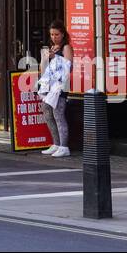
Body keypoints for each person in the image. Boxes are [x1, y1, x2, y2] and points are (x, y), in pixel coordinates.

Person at [37, 22, 73, 157]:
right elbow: (43, 69)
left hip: (61, 86)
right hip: (49, 85)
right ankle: (56, 143)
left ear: (63, 34)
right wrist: (45, 58)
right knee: (46, 111)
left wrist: (55, 57)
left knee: (58, 114)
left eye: (57, 34)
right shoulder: (51, 48)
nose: (54, 37)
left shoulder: (66, 48)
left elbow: (68, 66)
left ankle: (64, 146)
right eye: (52, 34)